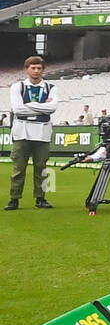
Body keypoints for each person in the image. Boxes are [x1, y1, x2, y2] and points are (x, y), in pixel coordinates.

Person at [7, 55, 58, 210]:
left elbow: (53, 108)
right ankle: (14, 198)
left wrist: (29, 105)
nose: (36, 71)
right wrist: (41, 106)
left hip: (42, 133)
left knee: (41, 168)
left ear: (43, 70)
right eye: (33, 68)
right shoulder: (18, 87)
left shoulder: (51, 87)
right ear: (26, 69)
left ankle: (41, 198)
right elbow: (17, 109)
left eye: (39, 68)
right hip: (22, 132)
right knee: (18, 168)